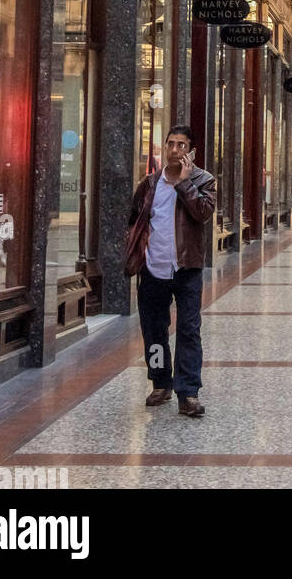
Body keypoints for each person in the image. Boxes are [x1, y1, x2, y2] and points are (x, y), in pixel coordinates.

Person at [124, 125, 216, 418]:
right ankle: (160, 382)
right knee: (153, 330)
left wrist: (185, 184)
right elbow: (134, 219)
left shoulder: (204, 181)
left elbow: (203, 213)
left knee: (189, 330)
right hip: (152, 269)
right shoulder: (150, 184)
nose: (174, 150)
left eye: (181, 145)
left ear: (190, 151)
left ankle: (188, 393)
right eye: (170, 144)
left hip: (187, 268)